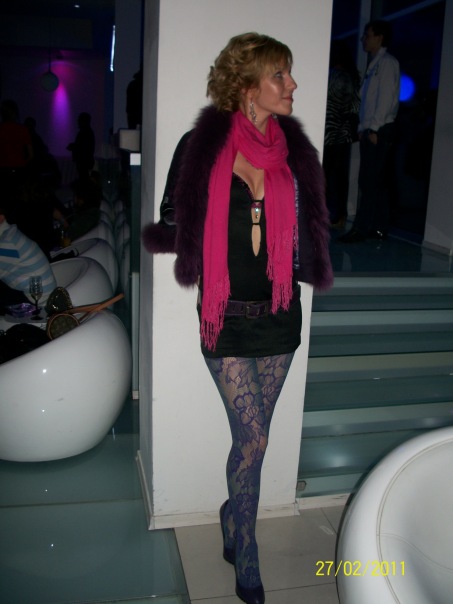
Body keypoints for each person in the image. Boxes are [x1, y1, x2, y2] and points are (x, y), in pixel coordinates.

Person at [142, 33, 333, 604]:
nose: (292, 84)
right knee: (253, 437)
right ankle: (244, 545)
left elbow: (313, 226)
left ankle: (234, 515)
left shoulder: (294, 153)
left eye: (289, 74)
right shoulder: (202, 145)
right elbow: (172, 219)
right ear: (248, 87)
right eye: (280, 75)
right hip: (224, 319)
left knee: (255, 440)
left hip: (280, 316)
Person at [339, 19, 400, 243]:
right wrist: (363, 128)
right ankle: (378, 227)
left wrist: (373, 128)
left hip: (379, 129)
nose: (364, 39)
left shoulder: (387, 64)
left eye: (368, 35)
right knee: (375, 181)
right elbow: (368, 101)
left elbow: (385, 99)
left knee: (369, 180)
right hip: (372, 129)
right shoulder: (376, 64)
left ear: (379, 37)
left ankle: (363, 228)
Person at [323, 40, 360, 229]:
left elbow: (329, 105)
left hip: (331, 133)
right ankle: (339, 215)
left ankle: (330, 215)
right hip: (343, 134)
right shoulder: (351, 77)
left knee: (328, 176)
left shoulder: (334, 76)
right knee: (339, 177)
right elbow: (354, 107)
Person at [0, 204, 56, 314]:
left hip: (39, 303)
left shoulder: (7, 243)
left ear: (1, 218)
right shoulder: (10, 234)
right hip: (40, 295)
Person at [0, 100, 33, 199]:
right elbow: (31, 155)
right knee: (18, 199)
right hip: (19, 170)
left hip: (3, 170)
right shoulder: (22, 130)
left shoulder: (1, 129)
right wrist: (22, 163)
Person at [67, 112, 95, 179]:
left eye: (79, 120)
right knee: (84, 178)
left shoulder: (84, 132)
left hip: (83, 161)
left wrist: (73, 146)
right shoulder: (87, 132)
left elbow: (82, 147)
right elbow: (83, 146)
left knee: (83, 178)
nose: (78, 122)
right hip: (85, 160)